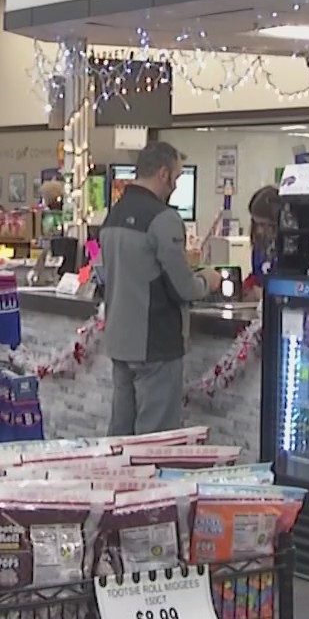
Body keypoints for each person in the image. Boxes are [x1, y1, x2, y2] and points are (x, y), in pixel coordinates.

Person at [100, 141, 207, 434]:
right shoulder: (164, 219)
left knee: (121, 433)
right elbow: (182, 286)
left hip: (120, 342)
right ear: (163, 174)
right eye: (177, 175)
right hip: (155, 343)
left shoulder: (113, 216)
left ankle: (116, 480)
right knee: (155, 439)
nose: (177, 183)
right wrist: (206, 282)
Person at [245, 185, 280, 297]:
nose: (259, 231)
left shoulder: (287, 250)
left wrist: (265, 295)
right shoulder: (259, 245)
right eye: (256, 224)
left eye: (263, 225)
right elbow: (257, 275)